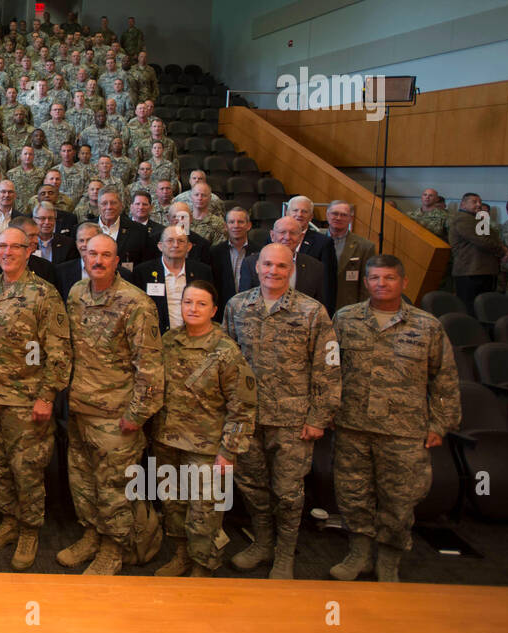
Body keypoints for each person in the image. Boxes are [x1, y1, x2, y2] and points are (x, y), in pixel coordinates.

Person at [331, 255, 460, 582]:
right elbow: (329, 371)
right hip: (352, 426)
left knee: (400, 500)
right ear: (365, 282)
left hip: (404, 432)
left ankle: (389, 561)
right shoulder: (345, 319)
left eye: (389, 278)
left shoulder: (427, 326)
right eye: (374, 278)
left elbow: (444, 380)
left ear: (403, 282)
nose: (381, 284)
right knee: (352, 495)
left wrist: (439, 424)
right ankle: (359, 555)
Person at [223, 244, 340, 579]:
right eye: (267, 264)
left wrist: (319, 417)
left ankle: (285, 554)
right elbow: (226, 362)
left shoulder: (312, 312)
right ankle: (262, 543)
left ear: (292, 270)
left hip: (292, 421)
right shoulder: (237, 306)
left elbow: (328, 369)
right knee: (252, 486)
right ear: (256, 267)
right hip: (247, 418)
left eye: (281, 266)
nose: (273, 271)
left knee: (288, 492)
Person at [59, 232, 163, 574]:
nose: (98, 261)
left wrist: (136, 415)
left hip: (117, 418)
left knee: (115, 490)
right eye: (92, 254)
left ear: (117, 261)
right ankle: (91, 535)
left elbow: (149, 368)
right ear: (84, 257)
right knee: (83, 483)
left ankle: (112, 550)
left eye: (106, 255)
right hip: (80, 410)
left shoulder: (136, 304)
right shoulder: (76, 294)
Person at [0, 223, 72, 569]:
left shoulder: (44, 294)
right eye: (2, 246)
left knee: (26, 470)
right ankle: (10, 520)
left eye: (15, 247)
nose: (7, 253)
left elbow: (59, 351)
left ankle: (30, 530)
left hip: (27, 402)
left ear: (29, 250)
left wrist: (47, 396)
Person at [152, 280, 256, 577]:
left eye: (200, 304)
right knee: (173, 506)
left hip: (207, 449)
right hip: (168, 441)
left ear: (213, 309)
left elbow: (243, 405)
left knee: (204, 513)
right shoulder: (169, 340)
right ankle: (182, 556)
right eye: (187, 302)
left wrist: (229, 451)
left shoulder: (225, 351)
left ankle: (203, 566)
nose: (193, 309)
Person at [132, 224, 213, 333]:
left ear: (189, 247)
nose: (175, 245)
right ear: (160, 246)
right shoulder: (143, 272)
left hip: (194, 338)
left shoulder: (202, 272)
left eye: (181, 241)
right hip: (155, 337)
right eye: (170, 241)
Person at [449, 193, 505, 312]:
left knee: (484, 310)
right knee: (470, 309)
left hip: (483, 271)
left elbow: (493, 238)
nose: (479, 204)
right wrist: (502, 251)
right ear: (463, 204)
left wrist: (503, 247)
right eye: (474, 202)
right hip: (470, 272)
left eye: (480, 201)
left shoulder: (478, 219)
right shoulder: (463, 218)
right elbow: (482, 241)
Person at [325, 200, 376, 310]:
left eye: (343, 215)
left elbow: (366, 284)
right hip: (318, 305)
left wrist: (362, 310)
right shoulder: (314, 241)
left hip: (349, 307)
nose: (338, 218)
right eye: (334, 213)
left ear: (350, 219)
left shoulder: (365, 246)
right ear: (327, 215)